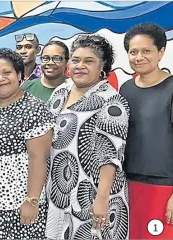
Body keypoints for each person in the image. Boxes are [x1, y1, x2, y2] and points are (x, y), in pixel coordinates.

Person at [45, 35, 129, 239]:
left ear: (103, 66)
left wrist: (102, 199)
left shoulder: (111, 101)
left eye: (88, 61)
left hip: (92, 194)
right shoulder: (60, 91)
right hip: (58, 190)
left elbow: (110, 156)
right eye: (75, 60)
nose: (80, 66)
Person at [0, 48, 54, 239]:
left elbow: (39, 159)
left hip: (19, 205)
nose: (1, 78)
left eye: (7, 73)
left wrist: (32, 201)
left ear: (19, 74)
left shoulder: (34, 108)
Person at [120, 23, 173, 239]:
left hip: (163, 188)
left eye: (146, 51)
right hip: (127, 187)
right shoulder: (125, 89)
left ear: (161, 52)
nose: (139, 57)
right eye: (133, 52)